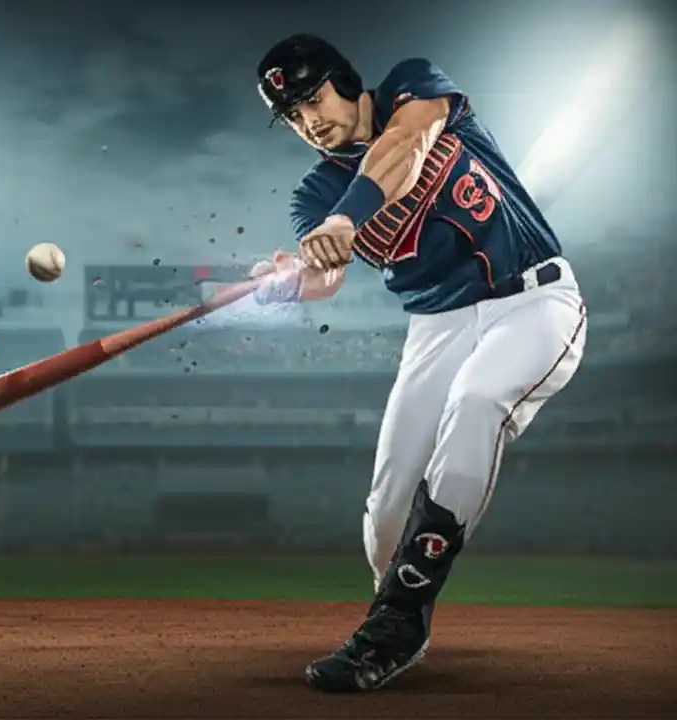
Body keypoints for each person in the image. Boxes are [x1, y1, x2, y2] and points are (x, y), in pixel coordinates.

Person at [249, 35, 588, 692]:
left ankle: (398, 621)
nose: (309, 121)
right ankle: (397, 607)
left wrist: (350, 218)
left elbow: (405, 147)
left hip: (533, 299)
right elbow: (325, 278)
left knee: (478, 400)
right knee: (385, 516)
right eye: (292, 115)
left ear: (346, 81)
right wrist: (290, 280)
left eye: (313, 98)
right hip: (437, 326)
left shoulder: (412, 85)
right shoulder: (315, 191)